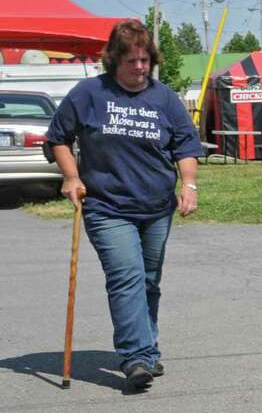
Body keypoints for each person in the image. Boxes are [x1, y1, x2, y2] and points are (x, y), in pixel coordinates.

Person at [46, 20, 204, 393]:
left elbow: (185, 145)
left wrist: (190, 185)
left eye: (145, 60)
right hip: (106, 206)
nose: (139, 68)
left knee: (149, 280)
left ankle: (147, 349)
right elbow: (58, 138)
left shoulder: (164, 97)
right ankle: (135, 357)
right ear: (114, 60)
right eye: (131, 61)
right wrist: (71, 177)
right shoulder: (89, 94)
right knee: (127, 276)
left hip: (155, 207)